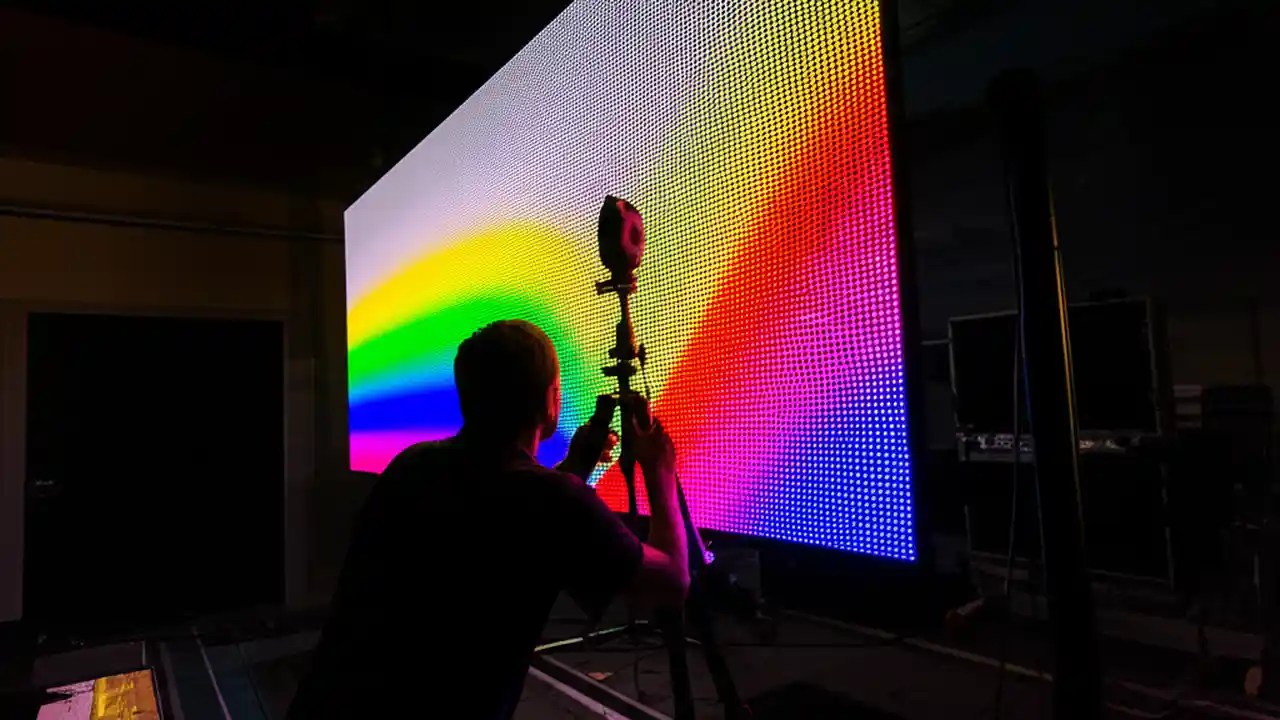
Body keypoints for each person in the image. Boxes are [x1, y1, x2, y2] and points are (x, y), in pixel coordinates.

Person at [288, 319, 688, 719]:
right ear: (551, 398)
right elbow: (672, 581)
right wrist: (660, 472)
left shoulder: (411, 466)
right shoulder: (554, 500)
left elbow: (507, 509)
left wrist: (575, 466)